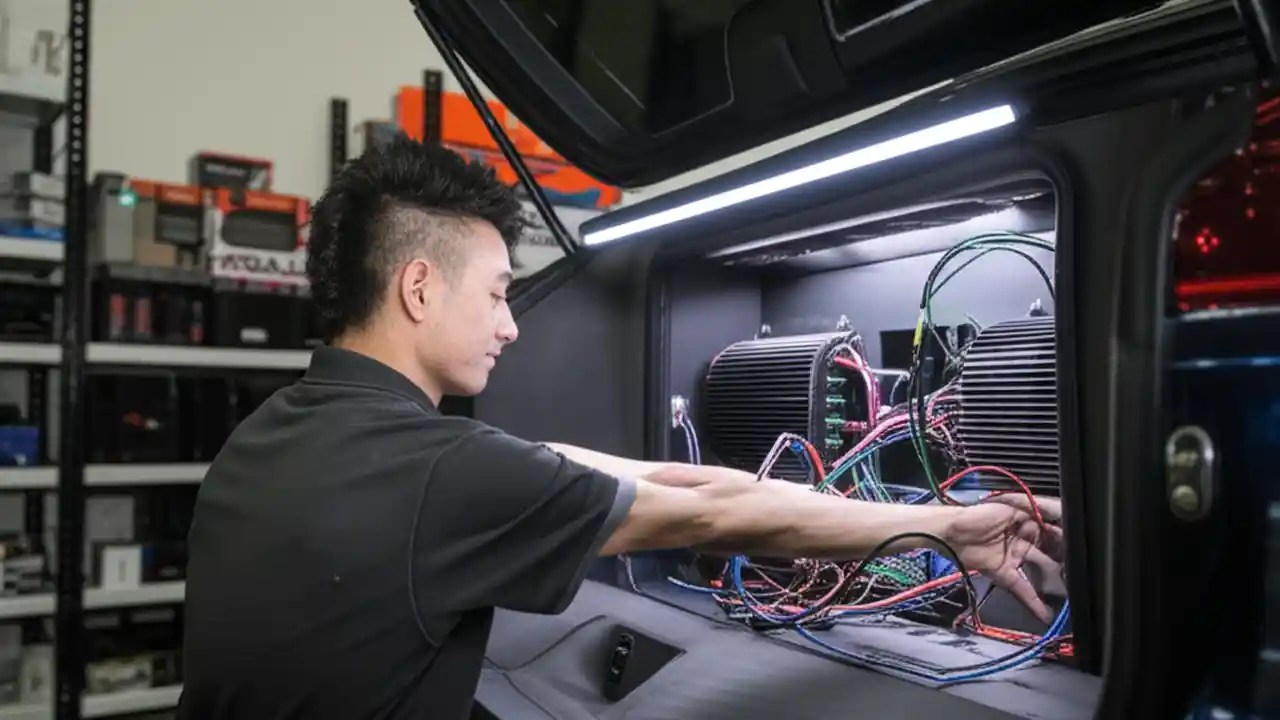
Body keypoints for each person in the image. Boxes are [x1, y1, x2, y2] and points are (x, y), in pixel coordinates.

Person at [177, 135, 1064, 720]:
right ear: (417, 288)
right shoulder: (443, 472)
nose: (511, 324)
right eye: (494, 293)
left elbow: (674, 484)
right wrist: (948, 527)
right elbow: (708, 517)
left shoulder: (273, 434)